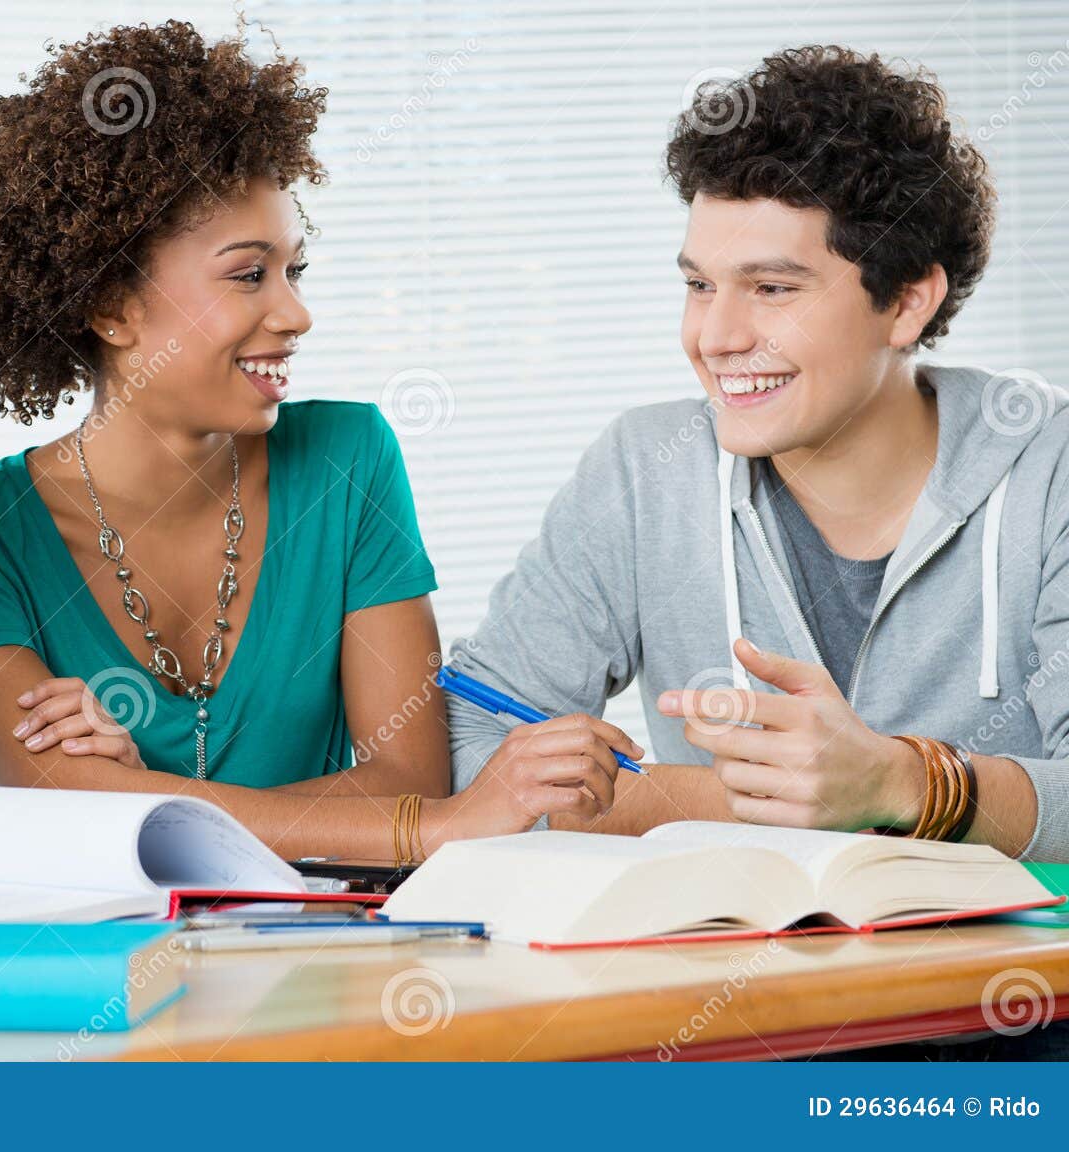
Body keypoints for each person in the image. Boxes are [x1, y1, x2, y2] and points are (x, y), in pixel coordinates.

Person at [0, 21, 634, 860]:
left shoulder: (347, 457)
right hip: (87, 968)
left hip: (322, 951)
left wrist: (143, 803)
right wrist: (420, 828)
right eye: (249, 275)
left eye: (295, 271)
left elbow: (409, 776)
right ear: (112, 306)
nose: (295, 314)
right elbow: (52, 799)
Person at [449, 44, 1068, 866]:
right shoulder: (645, 469)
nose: (715, 337)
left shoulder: (1048, 465)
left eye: (772, 289)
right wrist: (743, 798)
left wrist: (901, 785)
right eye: (700, 285)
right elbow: (476, 741)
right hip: (736, 981)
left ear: (909, 300)